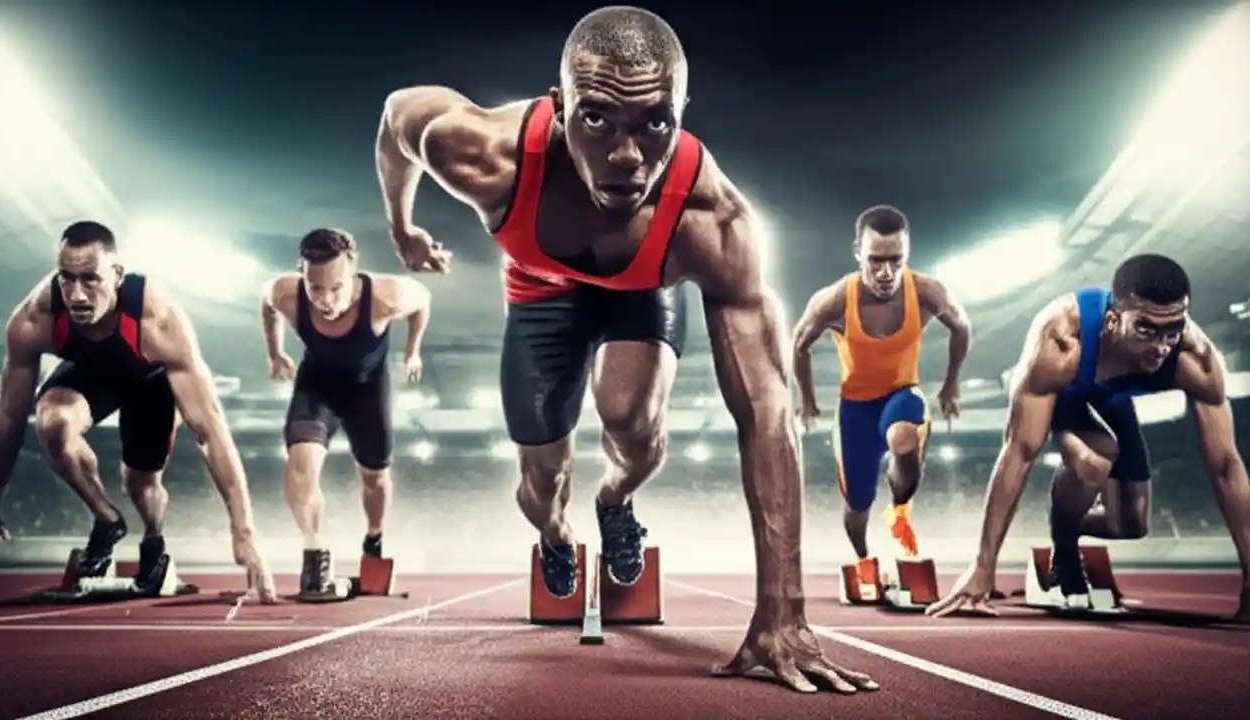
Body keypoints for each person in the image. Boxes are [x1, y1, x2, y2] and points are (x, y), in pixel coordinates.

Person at [373, 5, 879, 694]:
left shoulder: (712, 220)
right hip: (539, 293)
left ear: (681, 112)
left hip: (642, 287)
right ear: (559, 107)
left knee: (632, 426)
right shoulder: (481, 152)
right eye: (597, 119)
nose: (626, 156)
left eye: (654, 123)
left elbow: (767, 410)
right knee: (540, 484)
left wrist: (783, 613)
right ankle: (556, 536)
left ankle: (616, 502)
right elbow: (395, 119)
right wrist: (401, 229)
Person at [927, 254, 1250, 622]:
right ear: (1112, 321)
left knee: (1131, 525)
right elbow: (1019, 452)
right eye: (1146, 330)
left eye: (1172, 331)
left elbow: (1226, 465)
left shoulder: (1196, 359)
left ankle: (1073, 523)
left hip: (1115, 399)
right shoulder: (1061, 343)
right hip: (1067, 391)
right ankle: (1064, 545)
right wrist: (983, 567)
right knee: (1094, 461)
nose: (1161, 347)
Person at [0, 221, 275, 603]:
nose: (77, 295)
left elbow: (209, 430)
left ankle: (153, 541)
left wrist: (244, 532)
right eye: (67, 278)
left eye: (91, 279)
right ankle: (106, 519)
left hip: (148, 378)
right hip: (89, 375)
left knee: (141, 483)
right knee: (52, 422)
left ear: (117, 275)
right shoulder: (36, 317)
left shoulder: (157, 319)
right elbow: (9, 417)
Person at [792, 205, 970, 565]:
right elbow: (799, 346)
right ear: (858, 252)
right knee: (857, 505)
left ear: (908, 253)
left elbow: (962, 327)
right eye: (876, 260)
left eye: (896, 260)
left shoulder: (926, 292)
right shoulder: (835, 300)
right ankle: (864, 559)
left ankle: (899, 506)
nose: (886, 273)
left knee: (903, 439)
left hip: (902, 393)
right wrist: (806, 399)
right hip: (855, 408)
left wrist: (951, 384)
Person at [260, 228, 431, 598]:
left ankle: (374, 538)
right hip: (317, 387)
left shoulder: (386, 297)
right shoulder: (285, 293)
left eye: (336, 287)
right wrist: (274, 353)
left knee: (375, 477)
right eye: (315, 288)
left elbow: (423, 301)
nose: (326, 300)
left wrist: (412, 351)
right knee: (300, 465)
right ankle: (315, 557)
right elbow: (267, 303)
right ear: (302, 275)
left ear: (353, 269)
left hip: (367, 391)